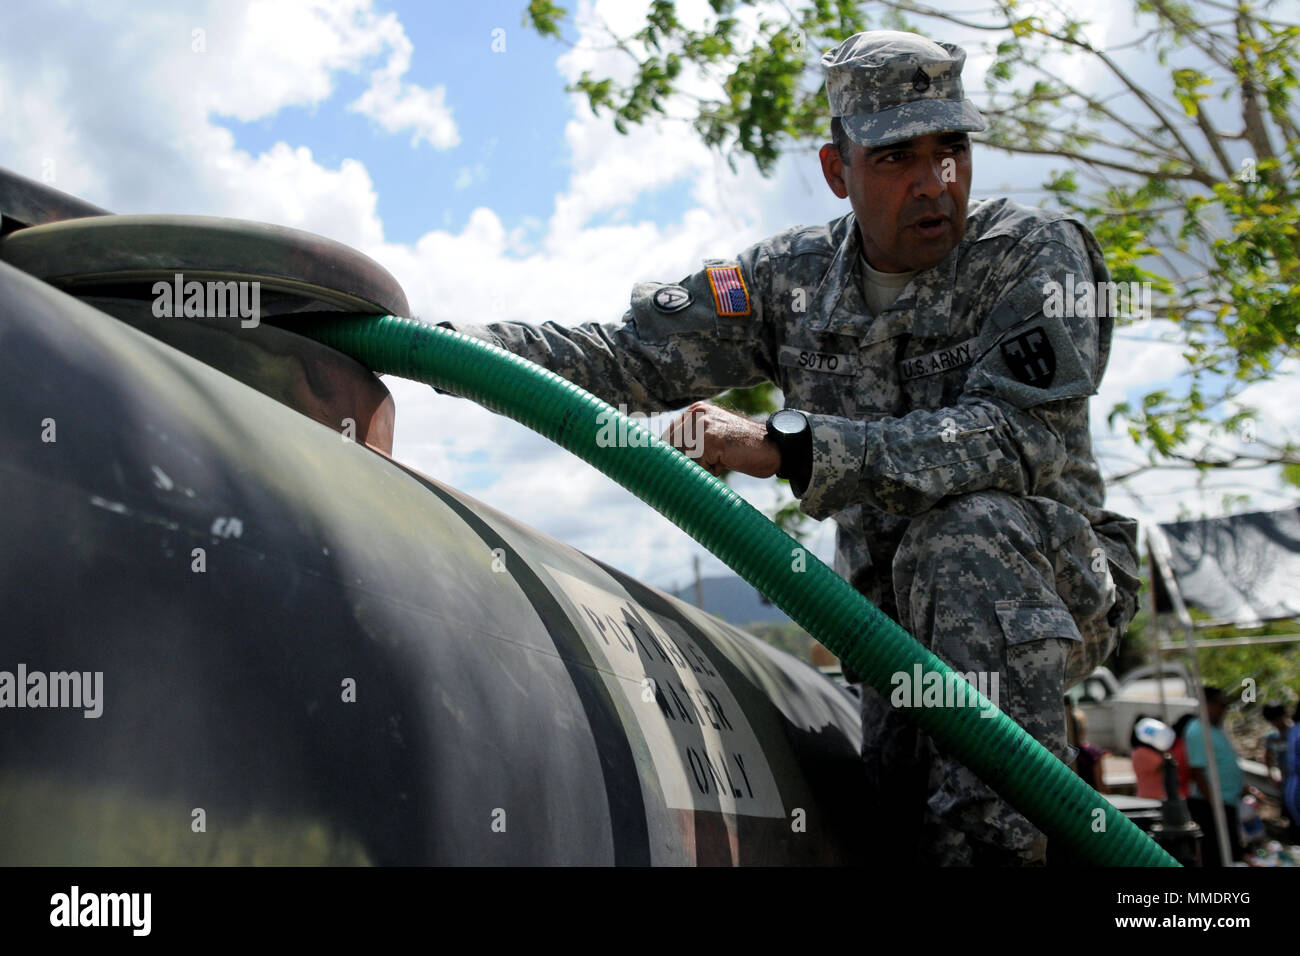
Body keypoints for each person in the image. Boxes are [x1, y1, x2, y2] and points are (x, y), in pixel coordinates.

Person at [438, 30, 1141, 865]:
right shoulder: (787, 280)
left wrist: (784, 445)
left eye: (951, 149)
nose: (934, 183)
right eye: (895, 158)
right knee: (894, 812)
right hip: (886, 621)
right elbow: (625, 354)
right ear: (837, 171)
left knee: (967, 536)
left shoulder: (1033, 254)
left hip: (1053, 583)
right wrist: (443, 345)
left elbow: (1012, 440)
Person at [1184, 687, 1245, 866]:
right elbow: (1197, 772)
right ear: (1208, 705)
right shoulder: (1198, 731)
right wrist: (1215, 804)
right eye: (1221, 705)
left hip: (1224, 802)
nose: (1224, 710)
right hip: (1210, 805)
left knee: (1229, 852)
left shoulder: (1214, 729)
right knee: (1216, 854)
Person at [1131, 714, 1168, 800]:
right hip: (1152, 798)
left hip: (1153, 796)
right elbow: (1166, 767)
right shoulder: (1143, 753)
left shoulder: (1140, 751)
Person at [1262, 702, 1291, 785]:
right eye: (1273, 721)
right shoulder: (1272, 738)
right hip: (1285, 778)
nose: (1277, 723)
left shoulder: (1294, 734)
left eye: (1278, 719)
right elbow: (1268, 757)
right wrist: (1271, 776)